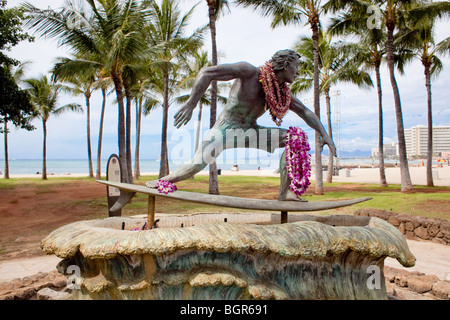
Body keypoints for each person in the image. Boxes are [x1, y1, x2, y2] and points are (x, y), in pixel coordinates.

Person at [146, 49, 336, 201]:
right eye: (296, 66)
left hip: (249, 131)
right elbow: (207, 73)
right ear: (285, 66)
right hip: (224, 129)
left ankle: (284, 193)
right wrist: (191, 102)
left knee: (294, 138)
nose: (298, 71)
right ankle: (163, 180)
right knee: (195, 165)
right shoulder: (249, 72)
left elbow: (305, 111)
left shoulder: (281, 94)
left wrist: (325, 135)